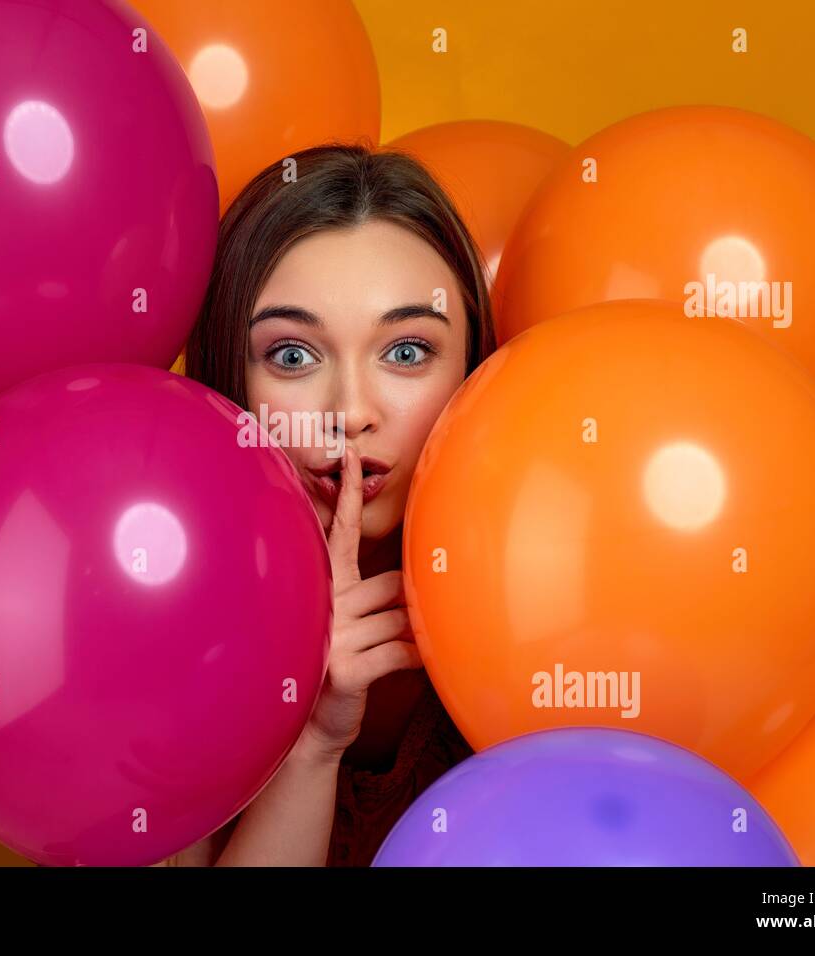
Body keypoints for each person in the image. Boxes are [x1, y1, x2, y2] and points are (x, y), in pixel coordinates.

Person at [158, 143, 497, 866]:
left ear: (474, 369)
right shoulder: (159, 625)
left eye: (406, 352)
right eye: (292, 356)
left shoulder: (547, 619)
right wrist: (314, 744)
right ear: (228, 374)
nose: (349, 412)